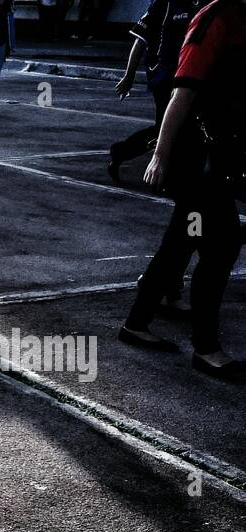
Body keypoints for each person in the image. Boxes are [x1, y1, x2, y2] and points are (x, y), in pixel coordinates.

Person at [119, 0, 245, 378]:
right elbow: (183, 92)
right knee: (220, 245)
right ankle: (206, 348)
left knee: (182, 241)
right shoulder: (214, 19)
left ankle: (137, 323)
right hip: (196, 160)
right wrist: (160, 155)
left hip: (217, 158)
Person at [108, 0, 206, 183]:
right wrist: (129, 76)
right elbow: (140, 41)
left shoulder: (203, 5)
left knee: (186, 126)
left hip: (189, 75)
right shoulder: (164, 4)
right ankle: (122, 153)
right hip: (163, 76)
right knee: (166, 126)